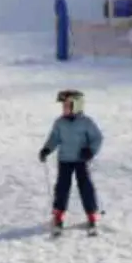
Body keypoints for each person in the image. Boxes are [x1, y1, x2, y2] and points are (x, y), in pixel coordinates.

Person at [41, 89, 103, 232]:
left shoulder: (86, 122)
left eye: (68, 106)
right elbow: (54, 138)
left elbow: (97, 138)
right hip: (65, 160)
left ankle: (92, 213)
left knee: (85, 186)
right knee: (62, 187)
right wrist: (47, 149)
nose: (64, 108)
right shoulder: (59, 123)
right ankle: (58, 214)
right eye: (63, 106)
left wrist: (90, 150)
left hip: (81, 160)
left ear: (77, 106)